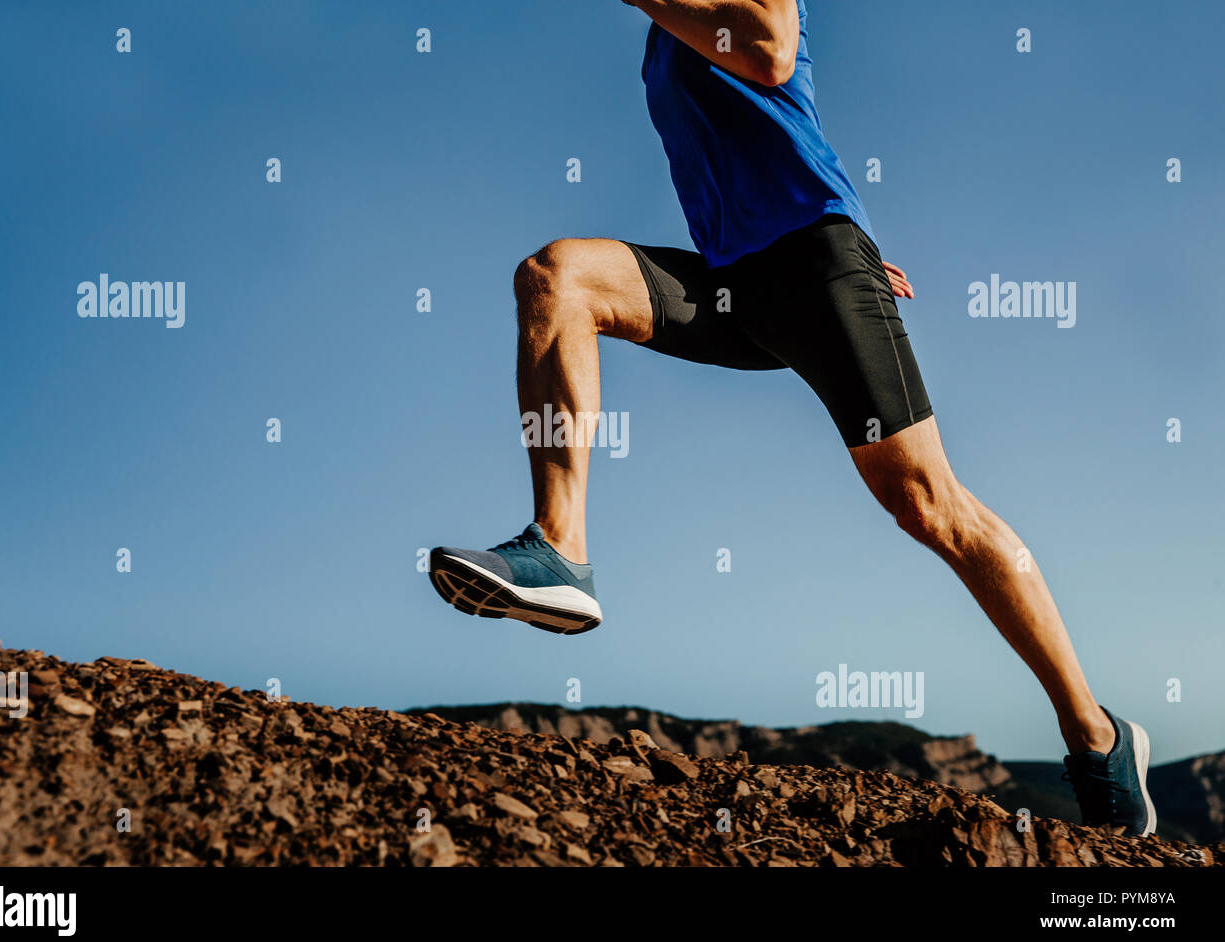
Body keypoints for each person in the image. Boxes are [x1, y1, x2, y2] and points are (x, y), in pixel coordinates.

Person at [427, 0, 1155, 837]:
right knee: (557, 278)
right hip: (736, 285)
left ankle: (1095, 733)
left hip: (816, 266)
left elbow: (770, 51)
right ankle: (561, 550)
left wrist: (846, 240)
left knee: (927, 504)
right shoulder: (666, 37)